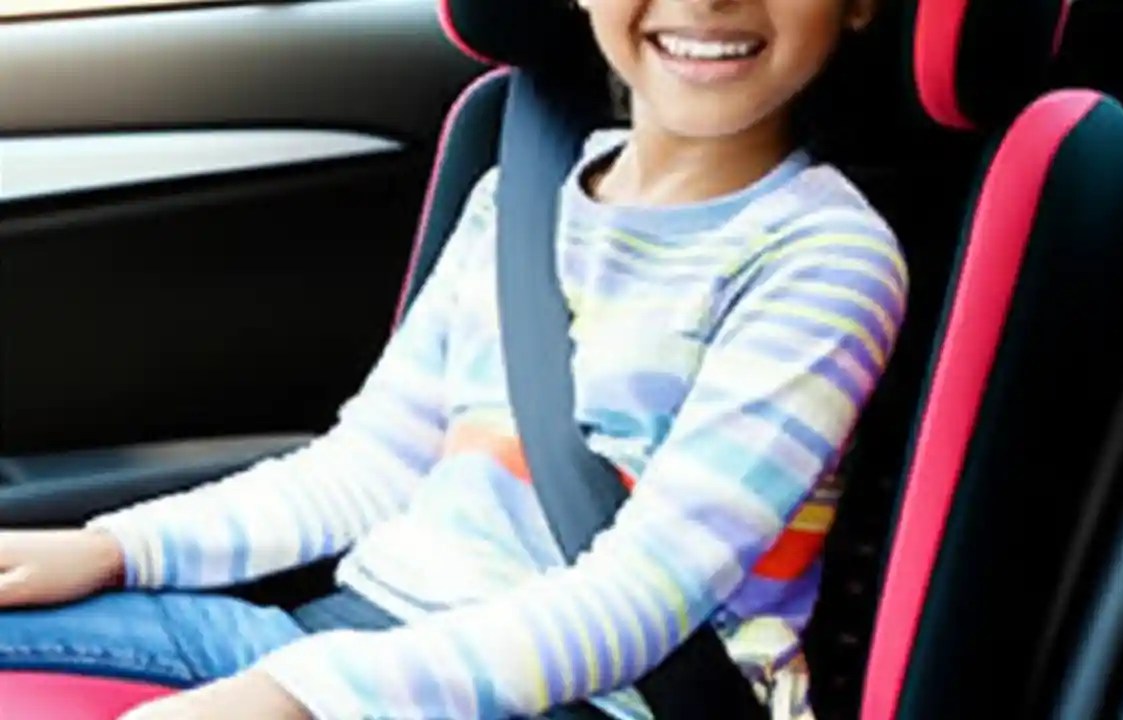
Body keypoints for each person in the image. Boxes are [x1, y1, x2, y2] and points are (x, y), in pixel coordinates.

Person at [0, 0, 906, 718]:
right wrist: (112, 549)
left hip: (592, 698)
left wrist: (295, 697)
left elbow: (643, 599)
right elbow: (367, 468)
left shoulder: (826, 262)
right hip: (352, 646)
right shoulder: (516, 199)